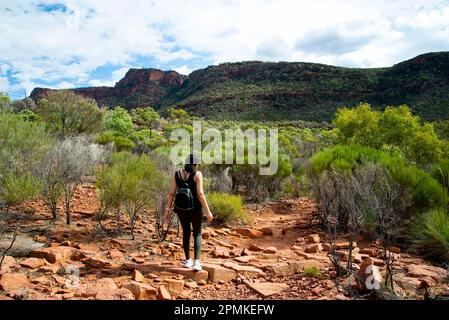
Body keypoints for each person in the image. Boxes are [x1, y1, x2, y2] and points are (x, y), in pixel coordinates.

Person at [165, 154, 214, 271]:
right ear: (196, 164)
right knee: (197, 233)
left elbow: (171, 193)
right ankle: (197, 262)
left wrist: (167, 210)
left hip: (180, 209)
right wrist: (208, 212)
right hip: (195, 208)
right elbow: (200, 194)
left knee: (186, 232)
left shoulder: (177, 174)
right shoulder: (197, 174)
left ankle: (187, 260)